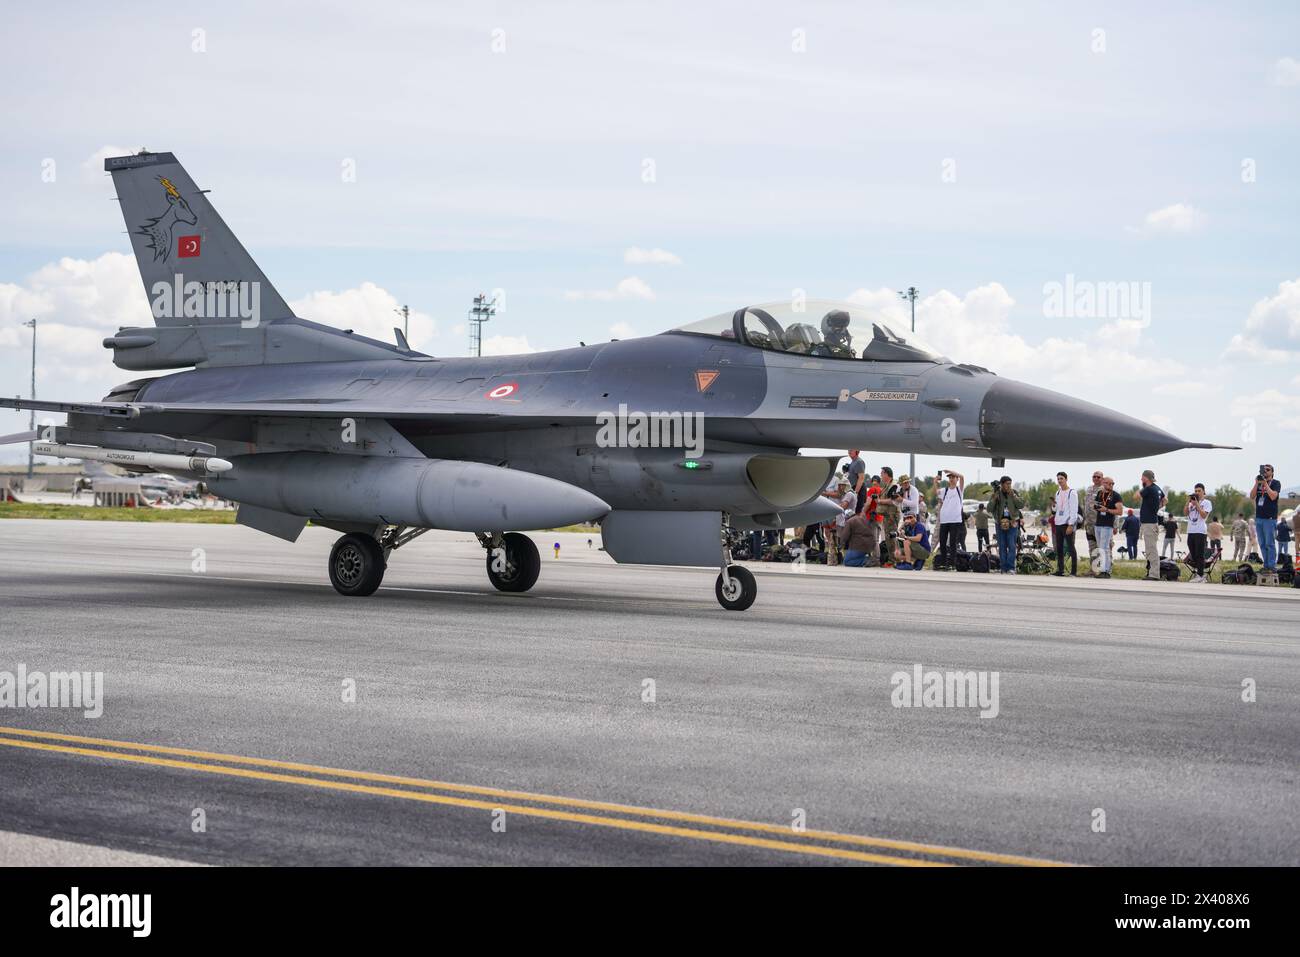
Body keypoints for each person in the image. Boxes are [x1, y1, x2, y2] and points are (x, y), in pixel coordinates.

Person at [988, 476, 1023, 574]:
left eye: (1010, 484)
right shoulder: (996, 494)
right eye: (1007, 484)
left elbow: (1021, 505)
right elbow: (989, 509)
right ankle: (1003, 568)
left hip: (1012, 523)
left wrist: (1014, 496)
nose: (1009, 486)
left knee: (1012, 546)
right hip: (1000, 523)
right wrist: (994, 499)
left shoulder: (1014, 492)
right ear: (1002, 484)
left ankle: (1011, 567)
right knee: (1002, 546)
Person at [1253, 464, 1281, 576]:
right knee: (1262, 543)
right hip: (1259, 517)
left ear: (1272, 472)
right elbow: (1251, 496)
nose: (1265, 471)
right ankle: (1266, 565)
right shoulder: (1259, 483)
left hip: (1270, 518)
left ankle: (1272, 566)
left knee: (1270, 543)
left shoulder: (1275, 483)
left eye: (1268, 470)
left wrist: (1265, 484)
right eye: (1264, 470)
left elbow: (1273, 496)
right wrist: (1257, 483)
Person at [1092, 476, 1123, 578]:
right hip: (1098, 524)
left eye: (1111, 483)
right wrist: (1095, 507)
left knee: (1105, 548)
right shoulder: (1100, 494)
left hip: (1107, 525)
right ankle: (1103, 570)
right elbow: (1096, 505)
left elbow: (1120, 511)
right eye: (1107, 483)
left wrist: (1107, 510)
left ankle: (1106, 571)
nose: (1110, 485)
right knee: (1100, 548)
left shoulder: (1116, 496)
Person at [1138, 469, 1166, 580]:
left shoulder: (1148, 489)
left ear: (1146, 478)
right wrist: (1156, 507)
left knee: (1151, 549)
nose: (1141, 479)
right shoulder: (1157, 488)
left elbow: (1136, 495)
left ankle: (1154, 574)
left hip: (1149, 523)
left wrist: (1143, 487)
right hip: (1151, 522)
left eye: (1142, 477)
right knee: (1150, 548)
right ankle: (1152, 572)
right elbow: (1165, 500)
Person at [935, 468, 966, 565]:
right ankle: (944, 562)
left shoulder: (959, 490)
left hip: (955, 520)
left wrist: (950, 471)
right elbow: (936, 492)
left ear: (956, 479)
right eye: (950, 477)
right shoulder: (945, 490)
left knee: (953, 542)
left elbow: (962, 477)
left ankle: (953, 562)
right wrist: (935, 482)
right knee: (942, 542)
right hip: (944, 520)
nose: (951, 479)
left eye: (953, 477)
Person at [1050, 471, 1078, 576]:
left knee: (1071, 547)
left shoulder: (1072, 492)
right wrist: (1053, 505)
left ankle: (1073, 571)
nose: (1059, 481)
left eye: (1061, 478)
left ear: (1066, 479)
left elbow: (1074, 510)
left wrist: (1071, 524)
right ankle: (1060, 570)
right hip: (1058, 522)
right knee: (1059, 548)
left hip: (1067, 523)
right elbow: (1056, 509)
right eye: (1058, 479)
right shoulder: (1058, 492)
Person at [1185, 483, 1212, 583]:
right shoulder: (1191, 503)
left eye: (1199, 491)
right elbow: (1185, 513)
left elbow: (1204, 515)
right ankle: (1199, 574)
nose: (1197, 493)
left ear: (1204, 492)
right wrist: (1188, 502)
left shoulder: (1207, 502)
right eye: (1195, 491)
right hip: (1190, 530)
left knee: (1199, 554)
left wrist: (1197, 504)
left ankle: (1200, 575)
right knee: (1193, 554)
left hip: (1200, 531)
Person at [1081, 470, 1103, 577]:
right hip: (1089, 524)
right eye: (1094, 476)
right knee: (1092, 547)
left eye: (1098, 477)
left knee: (1101, 548)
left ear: (1102, 479)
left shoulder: (1104, 490)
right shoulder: (1089, 489)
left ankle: (1102, 570)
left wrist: (1115, 525)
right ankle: (1093, 570)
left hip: (1100, 524)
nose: (1096, 478)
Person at [846, 450, 867, 515]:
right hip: (853, 488)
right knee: (852, 512)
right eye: (849, 450)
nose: (849, 451)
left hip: (858, 490)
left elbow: (861, 478)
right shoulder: (853, 462)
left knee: (858, 513)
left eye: (852, 450)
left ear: (857, 451)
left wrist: (855, 493)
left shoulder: (859, 462)